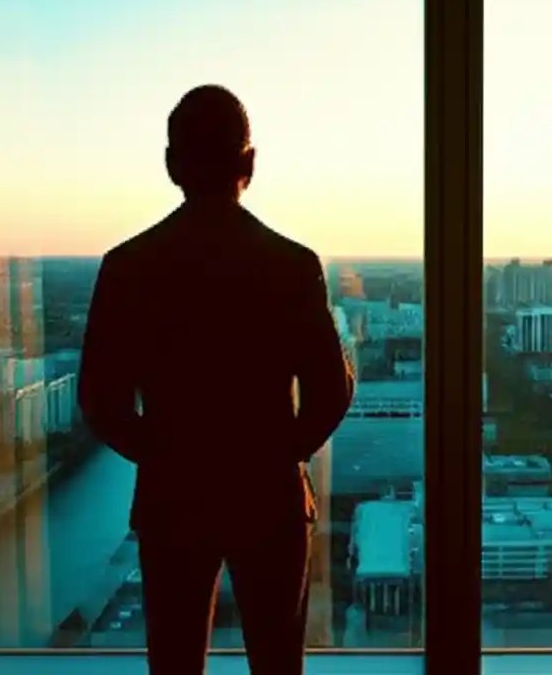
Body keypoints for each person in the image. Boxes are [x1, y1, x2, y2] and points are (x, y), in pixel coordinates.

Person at [78, 84, 355, 673]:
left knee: (175, 660)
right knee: (277, 660)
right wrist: (275, 453)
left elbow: (100, 402)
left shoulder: (128, 268)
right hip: (269, 497)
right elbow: (331, 392)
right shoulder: (292, 265)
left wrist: (169, 455)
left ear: (172, 164)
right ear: (248, 163)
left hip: (173, 498)